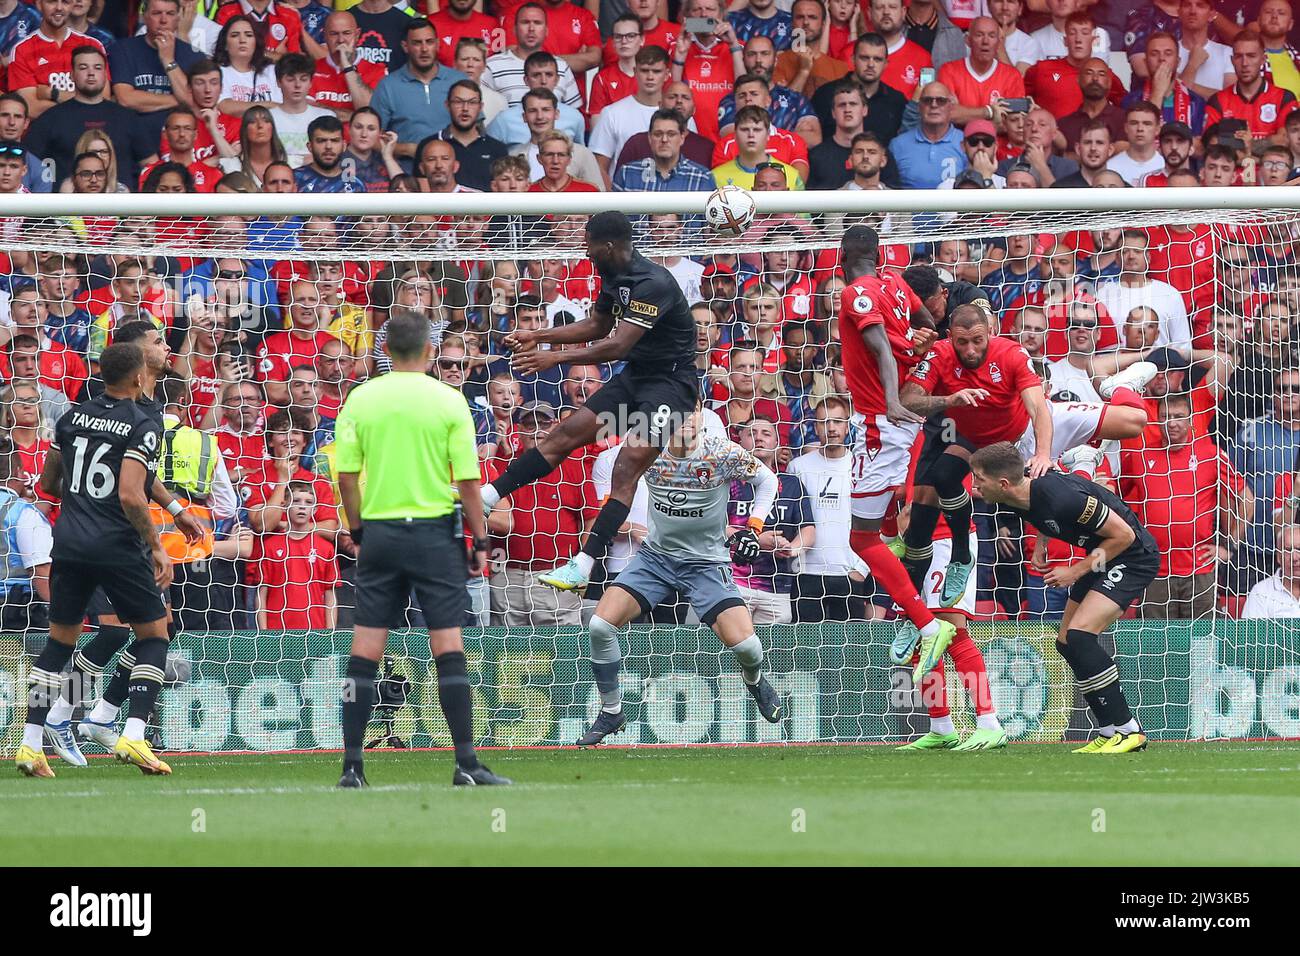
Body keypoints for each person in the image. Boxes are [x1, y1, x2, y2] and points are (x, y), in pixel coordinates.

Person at [481, 211, 698, 597]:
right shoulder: (615, 274)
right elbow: (598, 325)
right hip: (636, 378)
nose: (585, 249)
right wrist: (539, 336)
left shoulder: (653, 283)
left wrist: (554, 358)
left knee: (626, 465)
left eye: (589, 243)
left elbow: (618, 345)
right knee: (565, 434)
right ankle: (489, 496)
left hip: (670, 387)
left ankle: (584, 564)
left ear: (608, 245)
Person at [333, 310, 508, 788]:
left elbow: (346, 477)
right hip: (434, 535)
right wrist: (480, 538)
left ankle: (352, 768)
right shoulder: (449, 401)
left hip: (381, 533)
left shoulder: (361, 398)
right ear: (431, 353)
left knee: (365, 651)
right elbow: (468, 481)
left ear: (386, 351)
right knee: (447, 645)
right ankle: (466, 764)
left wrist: (358, 530)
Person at [574, 407, 782, 745]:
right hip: (655, 559)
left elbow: (768, 480)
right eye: (678, 411)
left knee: (748, 647)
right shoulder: (645, 448)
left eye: (692, 411)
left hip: (706, 564)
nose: (686, 418)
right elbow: (618, 493)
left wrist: (753, 528)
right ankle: (611, 711)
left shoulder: (721, 452)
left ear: (702, 415)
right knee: (600, 626)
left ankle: (755, 680)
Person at [16, 343, 173, 778]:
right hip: (116, 546)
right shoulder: (142, 424)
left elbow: (49, 482)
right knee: (154, 634)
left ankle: (30, 745)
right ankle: (133, 733)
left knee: (59, 644)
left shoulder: (71, 417)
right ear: (138, 377)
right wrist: (155, 545)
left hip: (68, 542)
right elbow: (131, 494)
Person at [971, 441, 1158, 754]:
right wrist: (1041, 544)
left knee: (1081, 636)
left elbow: (1124, 535)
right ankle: (1108, 730)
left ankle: (1129, 730)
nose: (975, 486)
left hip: (1133, 556)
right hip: (1103, 557)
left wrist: (1076, 571)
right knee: (1067, 642)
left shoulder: (1060, 496)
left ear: (1003, 483)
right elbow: (1043, 514)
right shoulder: (1017, 494)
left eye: (979, 479)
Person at [835, 224, 954, 678]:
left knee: (860, 539)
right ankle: (898, 544)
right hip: (902, 422)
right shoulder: (897, 283)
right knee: (886, 524)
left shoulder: (856, 293)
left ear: (841, 256)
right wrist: (921, 344)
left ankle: (927, 624)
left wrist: (889, 397)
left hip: (880, 423)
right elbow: (928, 324)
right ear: (880, 254)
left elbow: (882, 347)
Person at [897, 304, 1053, 608]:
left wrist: (1043, 453)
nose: (970, 350)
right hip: (972, 438)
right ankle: (960, 556)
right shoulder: (940, 354)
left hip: (1015, 438)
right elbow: (907, 399)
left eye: (977, 341)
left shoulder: (1012, 354)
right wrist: (948, 400)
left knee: (1121, 422)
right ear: (950, 337)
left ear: (990, 333)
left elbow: (1038, 407)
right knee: (941, 477)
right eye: (962, 342)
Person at [1241, 523, 1300, 617]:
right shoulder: (1260, 592)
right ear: (1278, 557)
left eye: (1299, 549)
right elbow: (1251, 627)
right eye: (1288, 550)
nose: (1294, 557)